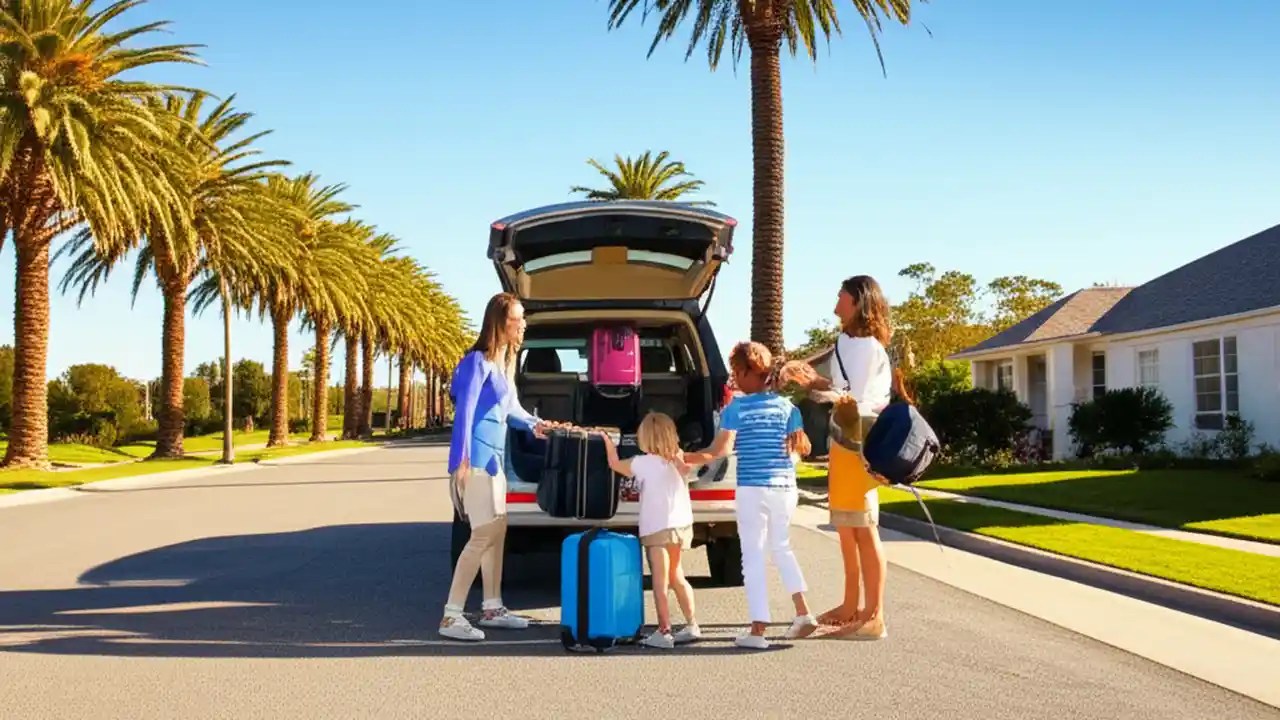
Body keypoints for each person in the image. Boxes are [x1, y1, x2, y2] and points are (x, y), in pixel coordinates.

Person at [684, 341, 817, 649]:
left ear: (745, 372)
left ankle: (758, 630)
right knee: (782, 547)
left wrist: (686, 458)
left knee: (753, 556)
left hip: (752, 489)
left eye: (735, 372)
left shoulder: (737, 408)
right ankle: (803, 612)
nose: (734, 378)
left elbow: (720, 450)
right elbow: (801, 447)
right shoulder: (787, 407)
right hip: (784, 488)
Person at [440, 292, 554, 642]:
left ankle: (492, 606)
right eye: (518, 318)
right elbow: (466, 412)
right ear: (501, 322)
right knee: (484, 533)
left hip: (495, 463)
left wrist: (536, 425)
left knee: (498, 529)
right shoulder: (476, 362)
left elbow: (512, 411)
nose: (523, 324)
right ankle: (451, 616)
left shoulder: (502, 365)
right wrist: (458, 462)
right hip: (474, 462)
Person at [804, 274, 908, 641]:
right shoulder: (847, 342)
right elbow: (843, 392)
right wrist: (815, 385)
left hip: (857, 439)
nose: (836, 301)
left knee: (863, 527)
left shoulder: (863, 347)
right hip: (846, 436)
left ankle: (873, 614)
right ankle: (851, 607)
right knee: (848, 528)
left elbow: (854, 398)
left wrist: (818, 388)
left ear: (857, 302)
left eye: (841, 295)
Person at [598, 413, 701, 649]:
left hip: (657, 528)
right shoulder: (677, 458)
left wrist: (607, 441)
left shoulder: (640, 463)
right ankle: (692, 624)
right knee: (677, 576)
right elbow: (687, 471)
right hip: (681, 525)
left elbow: (614, 465)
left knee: (659, 581)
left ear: (644, 438)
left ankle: (664, 631)